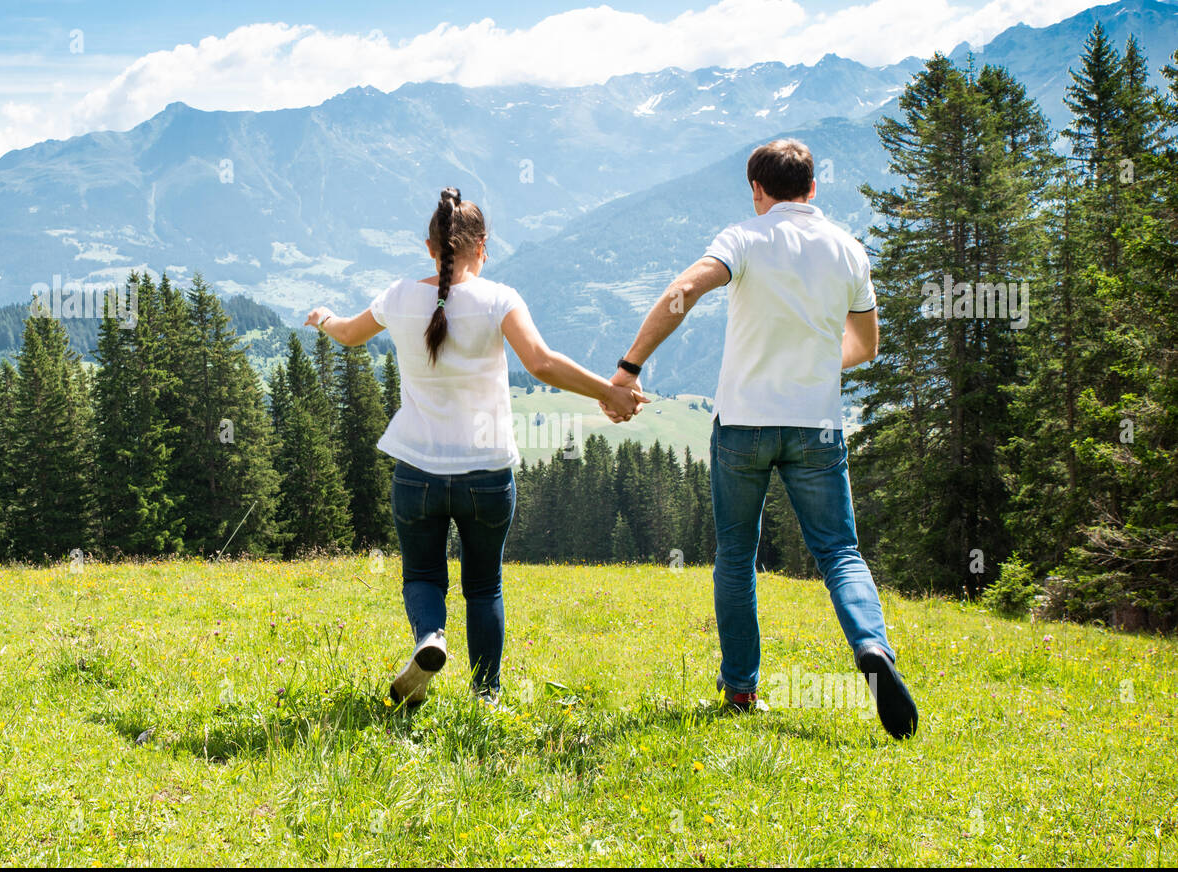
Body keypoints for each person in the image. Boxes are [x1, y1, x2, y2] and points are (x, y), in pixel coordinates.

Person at [602, 140, 918, 739]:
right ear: (813, 188)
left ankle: (741, 690)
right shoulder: (850, 250)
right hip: (817, 426)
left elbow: (684, 290)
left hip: (744, 424)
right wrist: (818, 365)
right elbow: (868, 347)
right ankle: (873, 648)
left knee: (736, 556)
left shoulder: (743, 238)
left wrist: (630, 366)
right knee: (840, 553)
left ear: (757, 190)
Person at [307, 187, 648, 706]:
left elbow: (351, 335)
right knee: (484, 585)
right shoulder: (498, 299)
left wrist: (323, 318)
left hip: (416, 472)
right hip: (486, 475)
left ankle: (430, 639)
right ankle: (485, 696)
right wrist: (610, 392)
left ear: (429, 247)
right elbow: (542, 363)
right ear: (482, 246)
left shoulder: (398, 296)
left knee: (422, 574)